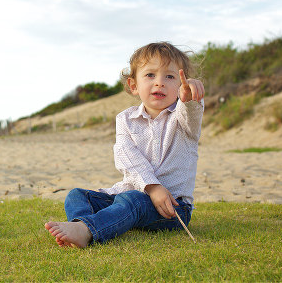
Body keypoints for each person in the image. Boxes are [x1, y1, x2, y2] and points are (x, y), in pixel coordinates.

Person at [45, 42, 204, 248]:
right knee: (77, 195)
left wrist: (190, 100)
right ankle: (81, 225)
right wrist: (152, 187)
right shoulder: (126, 119)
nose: (160, 83)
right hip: (130, 195)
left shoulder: (183, 119)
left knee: (133, 201)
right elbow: (126, 154)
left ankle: (88, 231)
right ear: (133, 85)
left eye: (170, 76)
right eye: (150, 75)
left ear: (181, 84)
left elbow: (191, 113)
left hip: (173, 209)